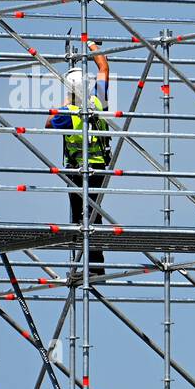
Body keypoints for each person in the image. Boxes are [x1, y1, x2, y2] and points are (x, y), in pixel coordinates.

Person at [46, 41, 111, 276]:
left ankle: (88, 267)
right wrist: (92, 45)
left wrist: (66, 103)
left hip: (77, 171)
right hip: (100, 168)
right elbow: (103, 68)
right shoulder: (98, 103)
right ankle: (95, 265)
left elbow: (47, 123)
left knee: (80, 219)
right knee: (93, 216)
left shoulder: (67, 113)